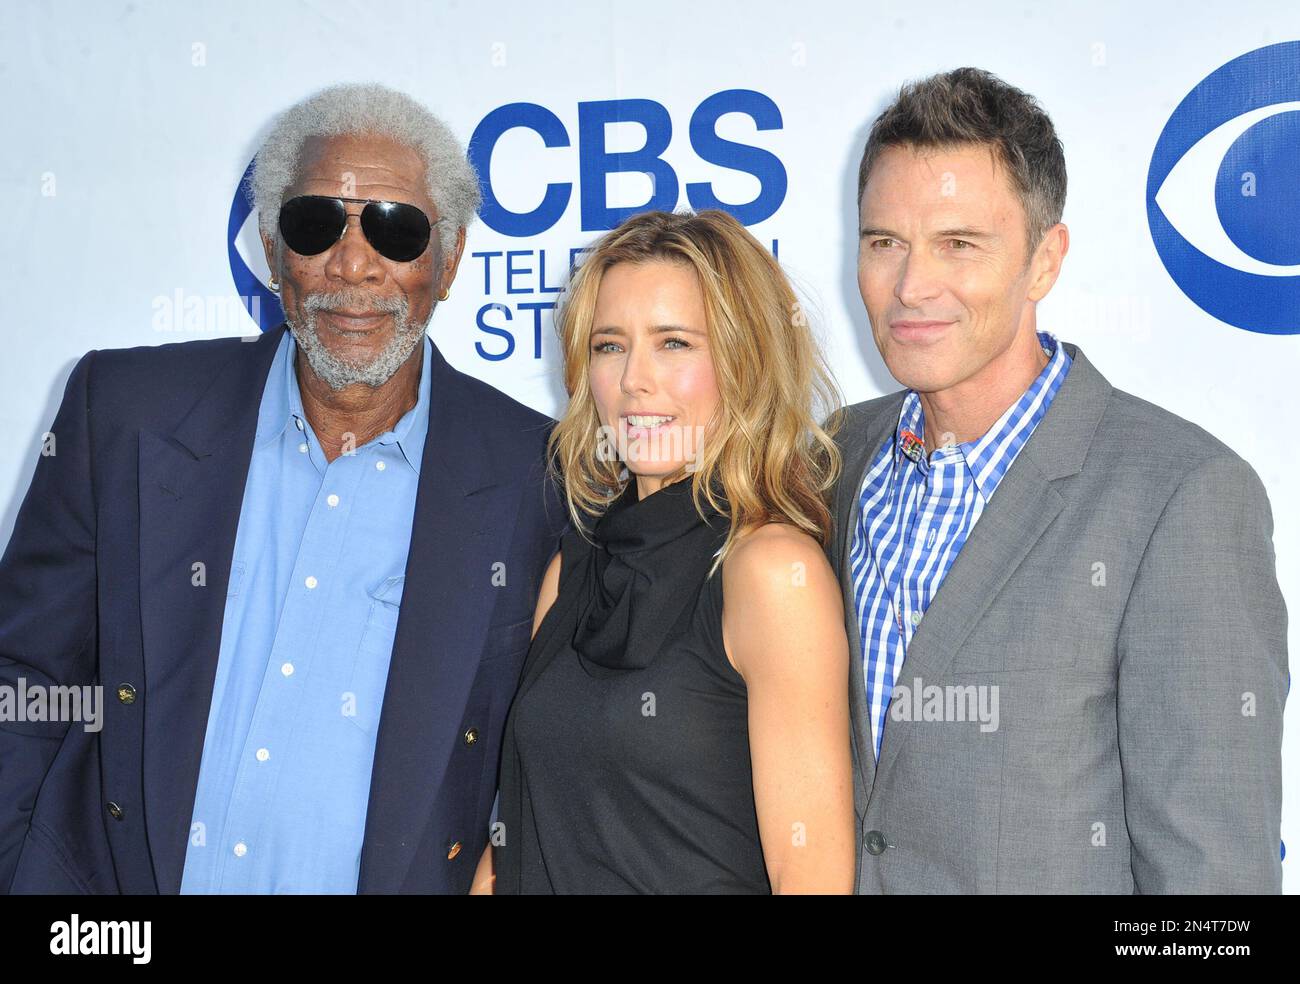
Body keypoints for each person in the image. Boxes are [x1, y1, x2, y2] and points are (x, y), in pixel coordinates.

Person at [0, 83, 567, 894]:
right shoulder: (123, 413)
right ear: (271, 248)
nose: (352, 263)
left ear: (448, 261)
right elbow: (24, 678)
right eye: (315, 224)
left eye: (395, 231)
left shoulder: (535, 475)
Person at [828, 67, 1288, 893]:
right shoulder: (829, 461)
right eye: (883, 242)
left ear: (1045, 261)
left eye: (959, 244)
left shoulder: (1181, 498)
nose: (910, 286)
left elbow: (1214, 887)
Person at [473, 209, 854, 893]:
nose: (633, 380)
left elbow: (811, 872)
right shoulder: (573, 567)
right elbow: (515, 832)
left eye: (674, 343)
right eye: (609, 345)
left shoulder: (769, 573)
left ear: (746, 359)